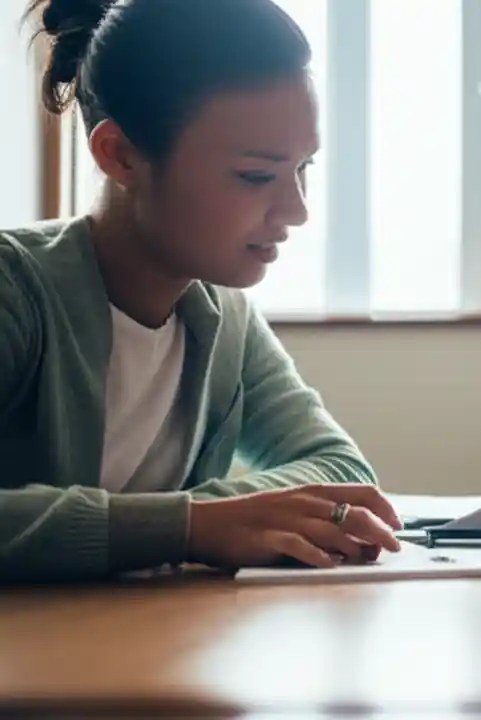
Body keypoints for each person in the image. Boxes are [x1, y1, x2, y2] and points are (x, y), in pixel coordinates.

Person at [1, 0, 402, 583]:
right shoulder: (16, 292)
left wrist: (218, 517)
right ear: (120, 154)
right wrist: (190, 525)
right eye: (256, 176)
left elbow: (338, 468)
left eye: (303, 168)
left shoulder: (223, 318)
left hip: (141, 651)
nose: (296, 210)